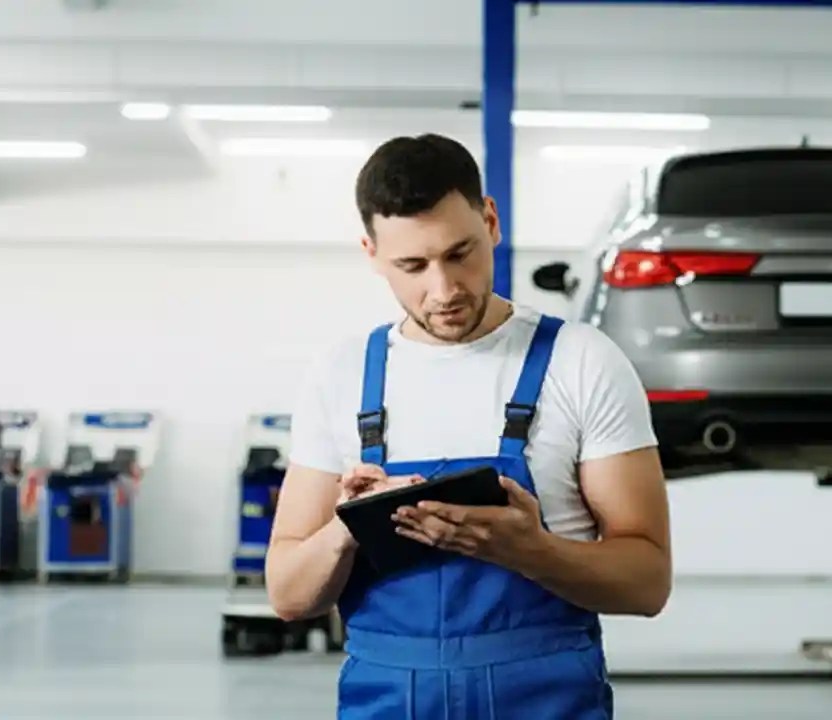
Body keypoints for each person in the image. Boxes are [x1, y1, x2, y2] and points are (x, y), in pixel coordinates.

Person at [265, 133, 672, 719]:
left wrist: (534, 551)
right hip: (388, 700)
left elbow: (648, 582)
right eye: (413, 265)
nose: (445, 289)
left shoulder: (581, 361)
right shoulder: (342, 375)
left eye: (461, 252)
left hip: (547, 699)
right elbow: (287, 594)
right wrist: (348, 527)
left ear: (490, 221)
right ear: (372, 253)